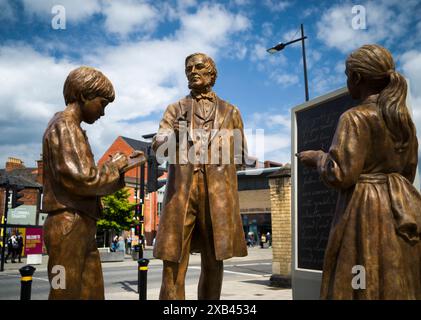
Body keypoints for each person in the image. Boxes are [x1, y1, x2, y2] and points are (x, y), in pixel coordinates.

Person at [297, 44, 421, 299]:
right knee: (393, 276)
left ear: (356, 77)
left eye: (347, 75)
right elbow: (408, 172)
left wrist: (318, 158)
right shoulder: (403, 121)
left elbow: (341, 174)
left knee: (360, 277)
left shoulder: (355, 118)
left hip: (364, 210)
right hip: (400, 209)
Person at [152, 53, 248, 300]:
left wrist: (221, 178)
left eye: (198, 67)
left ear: (212, 74)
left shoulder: (231, 111)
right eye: (188, 69)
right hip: (182, 191)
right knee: (173, 261)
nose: (192, 72)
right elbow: (158, 144)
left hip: (217, 193)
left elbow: (240, 156)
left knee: (214, 261)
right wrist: (172, 136)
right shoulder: (175, 108)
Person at [42, 66, 140, 300]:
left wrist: (120, 169)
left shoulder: (72, 128)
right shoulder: (64, 125)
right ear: (85, 95)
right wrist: (114, 167)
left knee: (91, 292)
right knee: (64, 293)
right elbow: (83, 179)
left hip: (81, 224)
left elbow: (88, 180)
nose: (103, 113)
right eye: (102, 104)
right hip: (68, 224)